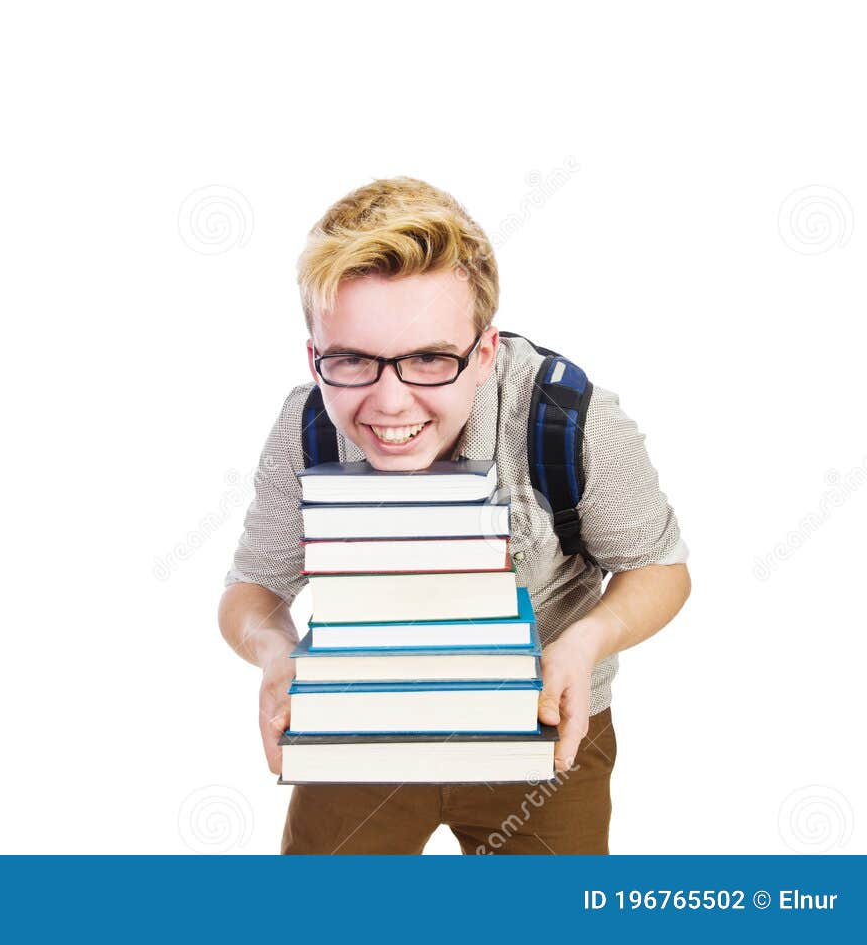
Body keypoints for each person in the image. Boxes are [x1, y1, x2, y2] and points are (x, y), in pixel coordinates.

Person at [217, 177, 690, 854]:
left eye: (430, 359)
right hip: (358, 731)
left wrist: (585, 643)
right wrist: (276, 651)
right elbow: (252, 588)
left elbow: (660, 569)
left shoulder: (567, 421)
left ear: (485, 352)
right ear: (315, 356)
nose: (390, 403)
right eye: (351, 360)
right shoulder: (306, 426)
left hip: (545, 734)